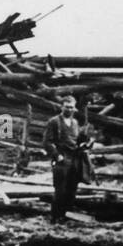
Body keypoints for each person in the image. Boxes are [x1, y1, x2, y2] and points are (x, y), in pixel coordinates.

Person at [43, 95, 91, 224]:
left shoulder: (75, 123)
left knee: (71, 189)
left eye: (71, 107)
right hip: (61, 158)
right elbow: (47, 142)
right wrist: (57, 155)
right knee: (60, 189)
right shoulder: (54, 122)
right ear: (61, 107)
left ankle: (66, 216)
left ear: (74, 108)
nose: (69, 109)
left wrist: (84, 142)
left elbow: (76, 141)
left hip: (74, 158)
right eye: (67, 107)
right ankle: (55, 217)